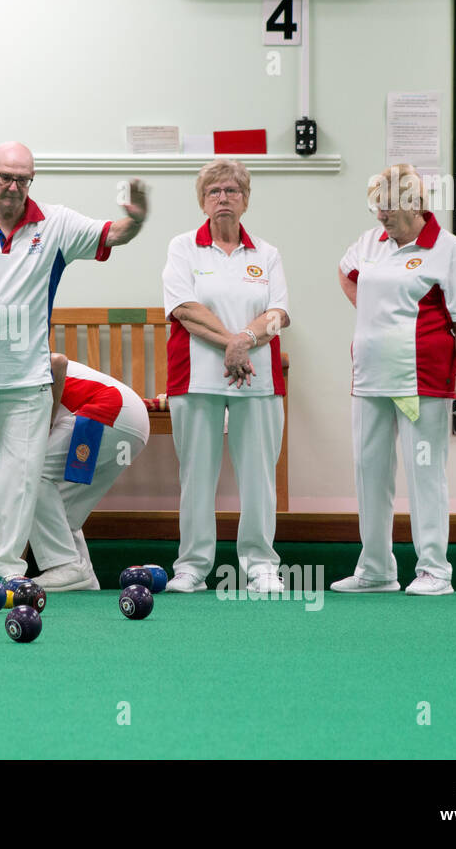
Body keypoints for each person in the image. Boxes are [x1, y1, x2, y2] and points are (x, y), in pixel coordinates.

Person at [0, 142, 149, 593]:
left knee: (19, 480)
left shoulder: (56, 223)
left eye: (22, 179)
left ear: (32, 180)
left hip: (29, 382)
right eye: (5, 177)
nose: (13, 187)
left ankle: (8, 571)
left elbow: (113, 234)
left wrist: (137, 221)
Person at [332, 165, 456, 595]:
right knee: (369, 472)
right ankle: (376, 569)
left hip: (423, 380)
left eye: (389, 208)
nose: (381, 216)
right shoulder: (369, 242)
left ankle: (434, 571)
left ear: (415, 205)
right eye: (376, 207)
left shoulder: (448, 249)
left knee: (425, 472)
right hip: (369, 378)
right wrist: (369, 314)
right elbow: (345, 272)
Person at [161, 159, 290, 594]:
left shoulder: (267, 254)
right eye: (214, 191)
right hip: (197, 378)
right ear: (202, 201)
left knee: (259, 475)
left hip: (259, 380)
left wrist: (245, 340)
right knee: (197, 475)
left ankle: (261, 565)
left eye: (232, 190)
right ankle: (192, 567)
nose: (223, 198)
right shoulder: (183, 247)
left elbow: (279, 313)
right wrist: (235, 343)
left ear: (246, 200)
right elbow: (185, 310)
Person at [28, 354, 151, 590]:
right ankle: (84, 580)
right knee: (60, 511)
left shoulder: (3, 372)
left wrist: (48, 423)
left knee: (31, 474)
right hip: (128, 419)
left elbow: (57, 361)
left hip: (111, 409)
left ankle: (65, 566)